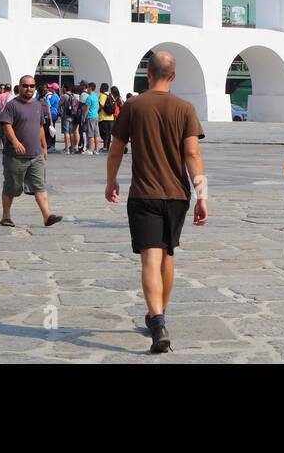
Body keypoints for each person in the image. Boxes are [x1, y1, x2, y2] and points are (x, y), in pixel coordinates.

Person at [105, 51, 207, 354]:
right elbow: (192, 155)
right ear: (173, 76)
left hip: (144, 193)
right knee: (168, 256)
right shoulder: (186, 108)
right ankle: (157, 314)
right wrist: (202, 195)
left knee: (150, 257)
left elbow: (115, 150)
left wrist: (111, 180)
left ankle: (158, 321)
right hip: (177, 195)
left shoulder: (134, 105)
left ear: (147, 74)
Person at [0, 75, 62, 228]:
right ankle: (6, 216)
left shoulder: (38, 105)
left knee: (39, 186)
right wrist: (15, 142)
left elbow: (40, 127)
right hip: (15, 156)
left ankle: (47, 216)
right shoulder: (12, 105)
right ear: (19, 87)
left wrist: (44, 146)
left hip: (36, 154)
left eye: (32, 86)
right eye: (25, 86)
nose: (29, 89)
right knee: (11, 187)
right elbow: (6, 125)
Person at [83, 82, 102, 155]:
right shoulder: (96, 96)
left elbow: (86, 109)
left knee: (90, 134)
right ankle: (96, 150)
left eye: (87, 87)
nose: (86, 89)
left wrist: (84, 117)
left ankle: (90, 150)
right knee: (96, 134)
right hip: (96, 116)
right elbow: (98, 107)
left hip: (90, 117)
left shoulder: (89, 97)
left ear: (90, 88)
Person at [98, 82, 116, 155]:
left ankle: (105, 148)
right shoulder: (110, 95)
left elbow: (101, 106)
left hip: (103, 117)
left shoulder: (102, 95)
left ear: (102, 88)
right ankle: (107, 147)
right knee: (108, 134)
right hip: (111, 118)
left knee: (104, 134)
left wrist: (97, 112)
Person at [60, 85, 78, 154]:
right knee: (71, 132)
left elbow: (60, 104)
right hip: (72, 116)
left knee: (66, 132)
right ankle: (72, 149)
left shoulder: (64, 96)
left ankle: (66, 149)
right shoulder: (73, 95)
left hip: (65, 116)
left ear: (65, 88)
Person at [45, 84, 61, 151]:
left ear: (53, 89)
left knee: (50, 129)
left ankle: (51, 144)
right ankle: (51, 144)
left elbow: (49, 104)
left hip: (52, 114)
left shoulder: (54, 96)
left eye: (51, 88)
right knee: (52, 128)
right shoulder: (56, 96)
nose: (49, 89)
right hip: (54, 113)